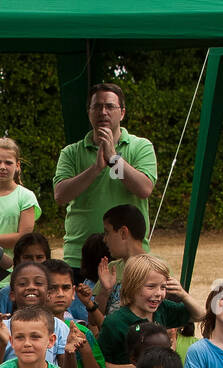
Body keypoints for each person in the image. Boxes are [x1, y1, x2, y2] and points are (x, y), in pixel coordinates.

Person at [53, 83, 157, 277]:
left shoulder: (141, 147)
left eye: (110, 106)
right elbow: (60, 195)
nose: (103, 112)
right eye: (97, 107)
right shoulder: (71, 152)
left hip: (129, 256)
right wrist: (95, 169)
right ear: (89, 112)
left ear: (122, 113)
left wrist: (114, 160)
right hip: (80, 256)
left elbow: (144, 189)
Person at [97, 254, 202, 368]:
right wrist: (146, 366)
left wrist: (183, 294)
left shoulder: (162, 309)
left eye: (163, 287)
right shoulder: (115, 322)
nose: (159, 293)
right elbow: (101, 366)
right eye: (151, 286)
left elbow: (199, 315)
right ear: (133, 286)